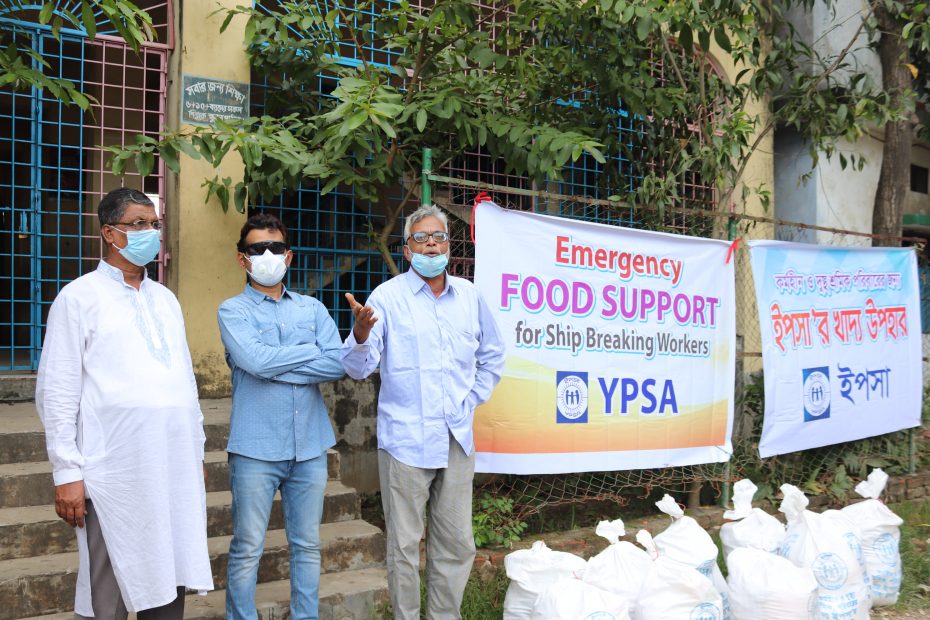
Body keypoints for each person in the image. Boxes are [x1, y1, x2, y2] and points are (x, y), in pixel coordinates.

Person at [35, 188, 214, 619]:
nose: (150, 232)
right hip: (112, 472)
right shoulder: (78, 298)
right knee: (108, 592)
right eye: (138, 224)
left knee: (170, 572)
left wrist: (196, 448)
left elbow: (185, 382)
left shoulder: (166, 301)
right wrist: (66, 472)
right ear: (110, 234)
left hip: (171, 464)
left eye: (154, 224)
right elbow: (56, 391)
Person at [341, 204, 505, 620]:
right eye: (421, 237)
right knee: (403, 546)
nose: (431, 243)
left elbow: (493, 356)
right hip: (405, 442)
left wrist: (469, 401)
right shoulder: (387, 298)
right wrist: (360, 334)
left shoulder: (469, 296)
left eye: (439, 237)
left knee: (456, 544)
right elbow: (358, 368)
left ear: (449, 244)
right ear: (408, 249)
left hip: (456, 439)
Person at [218, 213, 345, 620]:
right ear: (243, 259)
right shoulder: (231, 311)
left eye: (275, 248)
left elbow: (338, 364)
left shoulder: (312, 308)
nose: (267, 255)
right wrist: (313, 351)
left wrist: (272, 364)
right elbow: (253, 359)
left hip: (309, 446)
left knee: (307, 544)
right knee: (248, 546)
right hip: (255, 448)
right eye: (258, 249)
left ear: (288, 256)